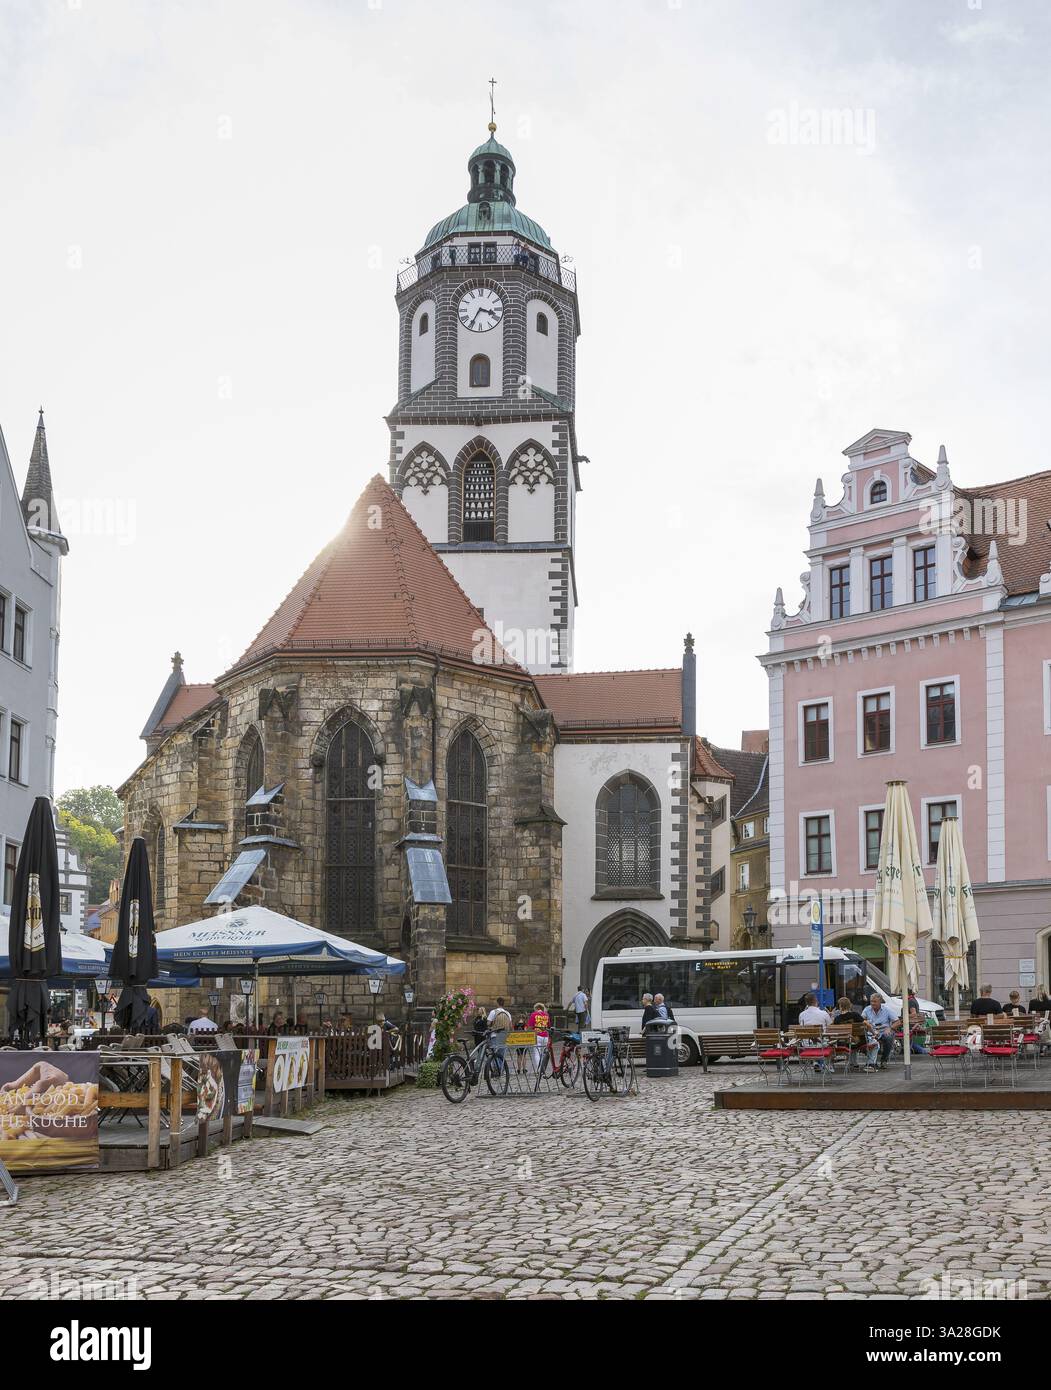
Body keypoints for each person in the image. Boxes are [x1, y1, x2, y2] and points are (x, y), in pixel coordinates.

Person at [861, 993, 895, 1070]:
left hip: (883, 1031)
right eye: (871, 1001)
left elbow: (897, 1022)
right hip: (871, 1031)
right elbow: (862, 1020)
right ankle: (872, 1061)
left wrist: (890, 1028)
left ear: (880, 1002)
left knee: (888, 1037)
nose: (872, 1003)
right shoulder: (867, 1009)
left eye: (875, 1001)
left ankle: (884, 1060)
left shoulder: (887, 1010)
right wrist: (865, 1023)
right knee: (861, 1038)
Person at [527, 1001, 550, 1072]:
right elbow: (548, 1026)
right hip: (545, 1036)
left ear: (537, 1008)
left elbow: (530, 1026)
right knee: (543, 1053)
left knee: (537, 1053)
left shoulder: (534, 1014)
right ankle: (543, 1069)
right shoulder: (546, 1015)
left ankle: (539, 1070)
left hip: (537, 1036)